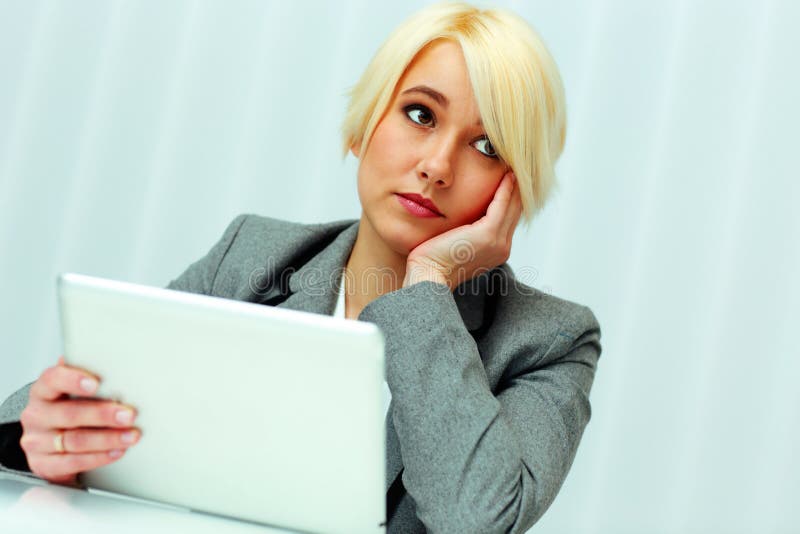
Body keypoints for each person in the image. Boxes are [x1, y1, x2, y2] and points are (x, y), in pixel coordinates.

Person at [0, 2, 602, 532]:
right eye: (421, 114)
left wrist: (427, 287)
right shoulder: (254, 256)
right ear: (366, 125)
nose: (438, 165)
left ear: (513, 191)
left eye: (486, 145)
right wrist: (53, 441)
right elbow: (50, 414)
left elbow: (473, 522)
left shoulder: (550, 342)